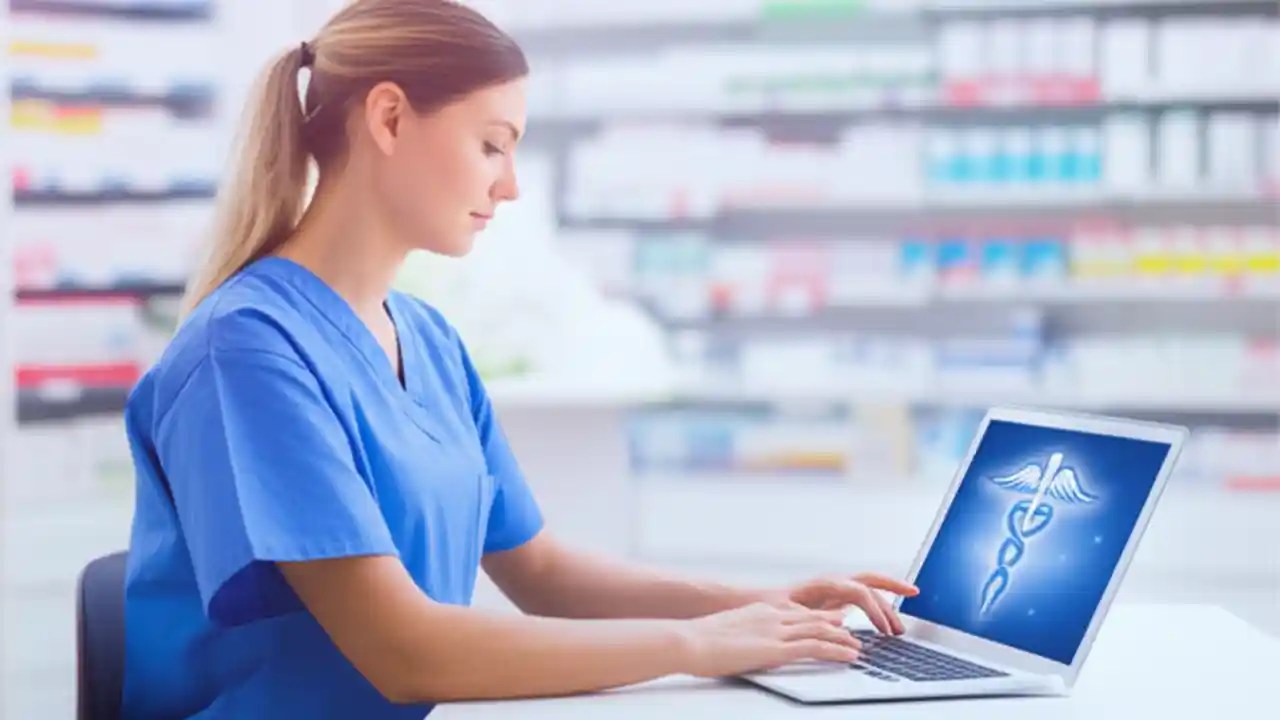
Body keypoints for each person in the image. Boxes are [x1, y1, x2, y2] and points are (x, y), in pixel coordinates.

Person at [121, 1, 919, 718]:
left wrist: (757, 605)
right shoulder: (247, 350)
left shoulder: (427, 339)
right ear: (390, 119)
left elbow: (540, 572)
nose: (509, 188)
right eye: (491, 145)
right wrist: (697, 645)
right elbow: (405, 655)